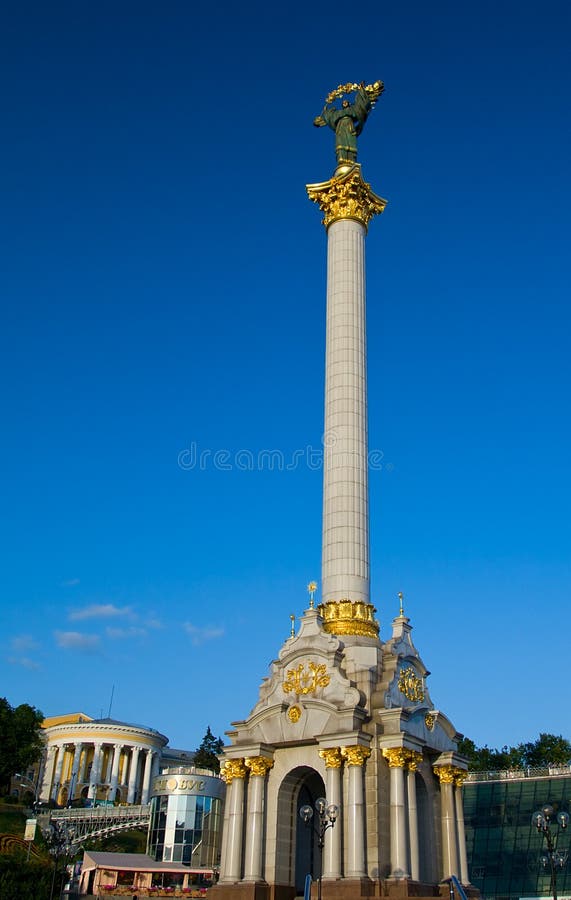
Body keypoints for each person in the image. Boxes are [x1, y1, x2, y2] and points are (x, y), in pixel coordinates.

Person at [314, 83, 374, 164]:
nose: (345, 103)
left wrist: (361, 91)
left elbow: (360, 105)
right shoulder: (337, 113)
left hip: (349, 126)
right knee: (340, 142)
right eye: (343, 102)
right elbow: (329, 116)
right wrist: (325, 112)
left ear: (349, 104)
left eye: (346, 102)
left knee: (350, 141)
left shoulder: (353, 109)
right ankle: (341, 158)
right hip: (340, 127)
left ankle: (351, 159)